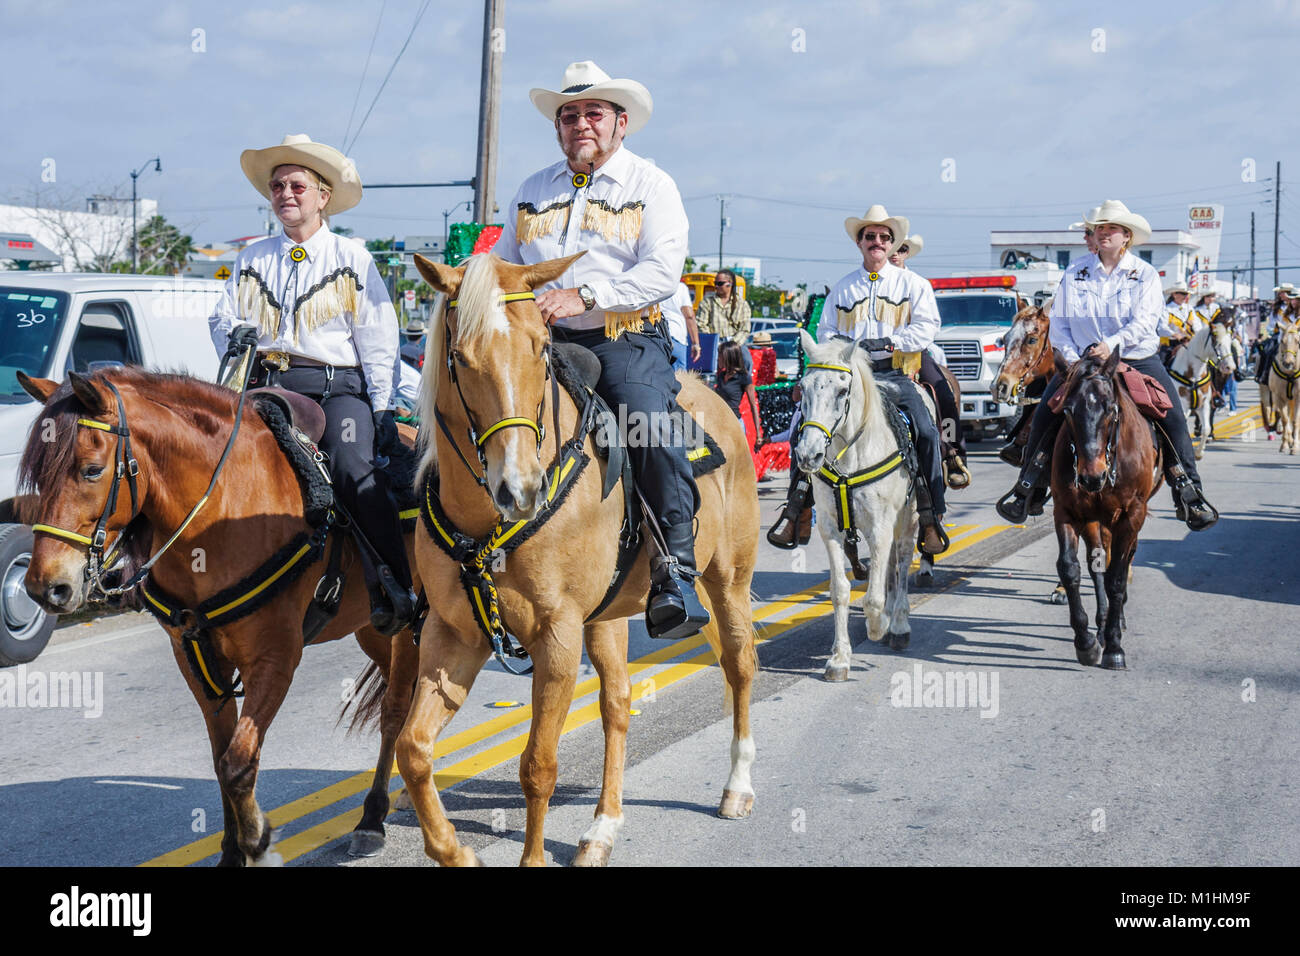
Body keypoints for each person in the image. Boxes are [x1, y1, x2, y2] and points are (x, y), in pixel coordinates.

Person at [491, 61, 707, 641]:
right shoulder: (533, 190)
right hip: (546, 343)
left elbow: (664, 270)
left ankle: (675, 569)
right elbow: (506, 262)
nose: (579, 123)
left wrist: (587, 293)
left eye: (593, 113)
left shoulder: (651, 185)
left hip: (624, 337)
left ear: (621, 123)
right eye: (568, 116)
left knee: (646, 422)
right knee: (481, 413)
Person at [208, 134, 414, 634]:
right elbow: (221, 317)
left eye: (297, 185)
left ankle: (392, 583)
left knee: (353, 469)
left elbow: (379, 338)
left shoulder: (354, 258)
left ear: (323, 196)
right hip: (264, 387)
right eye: (277, 186)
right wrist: (236, 336)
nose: (285, 194)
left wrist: (382, 411)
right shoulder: (250, 257)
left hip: (335, 389)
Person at [994, 200, 1218, 531]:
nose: (1102, 233)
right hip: (1081, 362)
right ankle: (1029, 487)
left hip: (1134, 358)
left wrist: (1109, 347)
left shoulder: (1144, 275)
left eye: (1110, 228)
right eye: (1099, 228)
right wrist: (1072, 358)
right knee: (1044, 414)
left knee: (1172, 416)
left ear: (1126, 236)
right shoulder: (1075, 272)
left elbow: (1145, 322)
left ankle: (1188, 491)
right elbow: (1061, 324)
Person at [768, 204, 950, 555]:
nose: (877, 242)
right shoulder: (844, 288)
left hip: (893, 375)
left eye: (884, 237)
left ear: (893, 243)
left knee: (926, 430)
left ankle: (930, 515)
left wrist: (892, 341)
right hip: (848, 378)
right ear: (860, 243)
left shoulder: (914, 285)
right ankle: (797, 510)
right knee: (802, 428)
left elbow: (928, 326)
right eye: (870, 236)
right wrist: (844, 347)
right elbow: (826, 331)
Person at [888, 231, 968, 487]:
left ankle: (953, 452)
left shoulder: (916, 283)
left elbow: (928, 324)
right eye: (892, 249)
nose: (894, 255)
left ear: (906, 253)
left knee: (944, 394)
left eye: (900, 250)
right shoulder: (870, 283)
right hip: (875, 356)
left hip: (912, 353)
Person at [696, 268, 751, 368]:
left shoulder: (741, 304)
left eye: (720, 283)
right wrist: (714, 342)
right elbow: (700, 324)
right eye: (715, 283)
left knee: (747, 361)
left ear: (730, 284)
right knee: (700, 364)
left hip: (734, 343)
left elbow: (745, 329)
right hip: (713, 342)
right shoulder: (707, 301)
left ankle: (745, 383)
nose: (716, 286)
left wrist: (732, 345)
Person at [714, 340, 761, 442]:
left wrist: (758, 434)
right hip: (720, 423)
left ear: (728, 357)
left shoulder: (743, 377)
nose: (718, 359)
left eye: (720, 355)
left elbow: (753, 405)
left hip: (734, 425)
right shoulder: (721, 376)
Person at [664, 279, 702, 368]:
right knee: (680, 377)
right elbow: (689, 316)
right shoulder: (680, 287)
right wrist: (696, 343)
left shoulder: (651, 286)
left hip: (653, 335)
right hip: (675, 336)